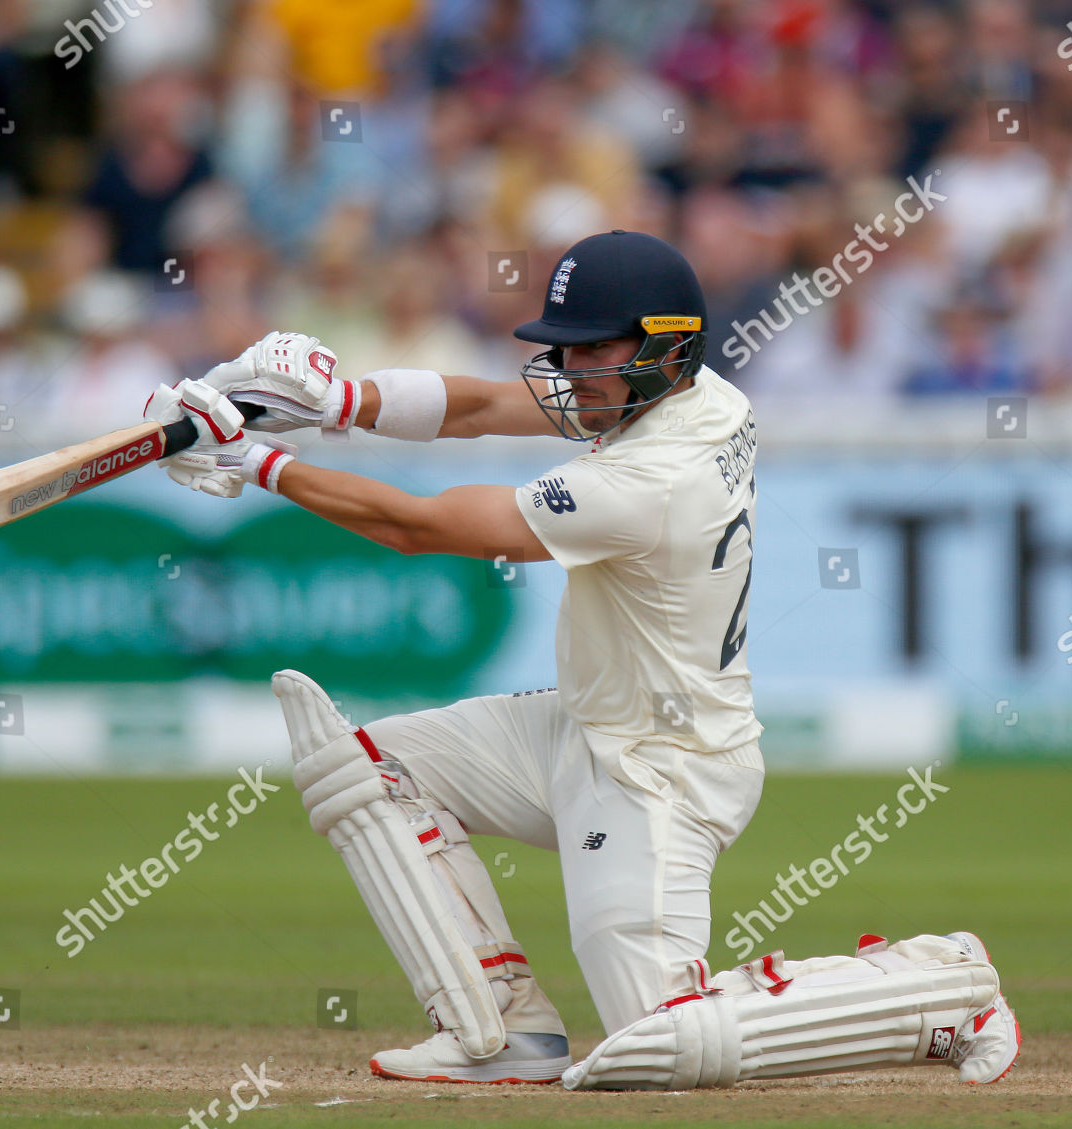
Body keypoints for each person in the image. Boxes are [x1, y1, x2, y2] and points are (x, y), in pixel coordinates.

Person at [142, 230, 1022, 1090]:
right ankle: (497, 1027)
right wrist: (343, 401)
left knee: (661, 1039)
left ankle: (944, 988)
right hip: (581, 722)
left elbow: (416, 528)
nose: (569, 376)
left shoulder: (654, 478)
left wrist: (256, 457)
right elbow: (487, 406)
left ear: (663, 350)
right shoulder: (697, 392)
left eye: (590, 351)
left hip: (660, 769)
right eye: (564, 351)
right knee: (368, 771)